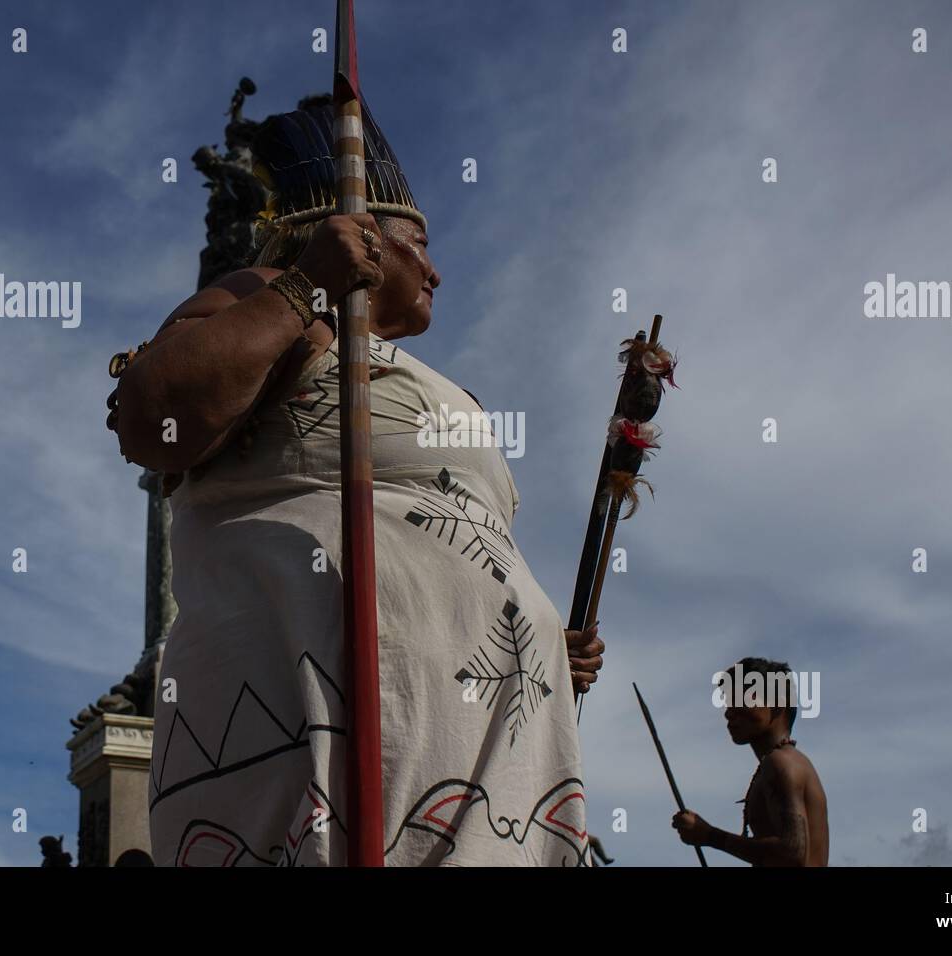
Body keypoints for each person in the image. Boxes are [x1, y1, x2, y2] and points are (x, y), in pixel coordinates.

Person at [108, 93, 602, 866]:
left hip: (479, 752)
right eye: (421, 244)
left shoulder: (433, 383)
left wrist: (534, 638)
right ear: (362, 233)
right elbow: (154, 416)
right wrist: (306, 282)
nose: (437, 269)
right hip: (311, 727)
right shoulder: (273, 303)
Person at [671, 657, 828, 866]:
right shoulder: (785, 762)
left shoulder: (781, 764)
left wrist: (709, 835)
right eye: (728, 702)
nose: (729, 712)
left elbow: (792, 853)